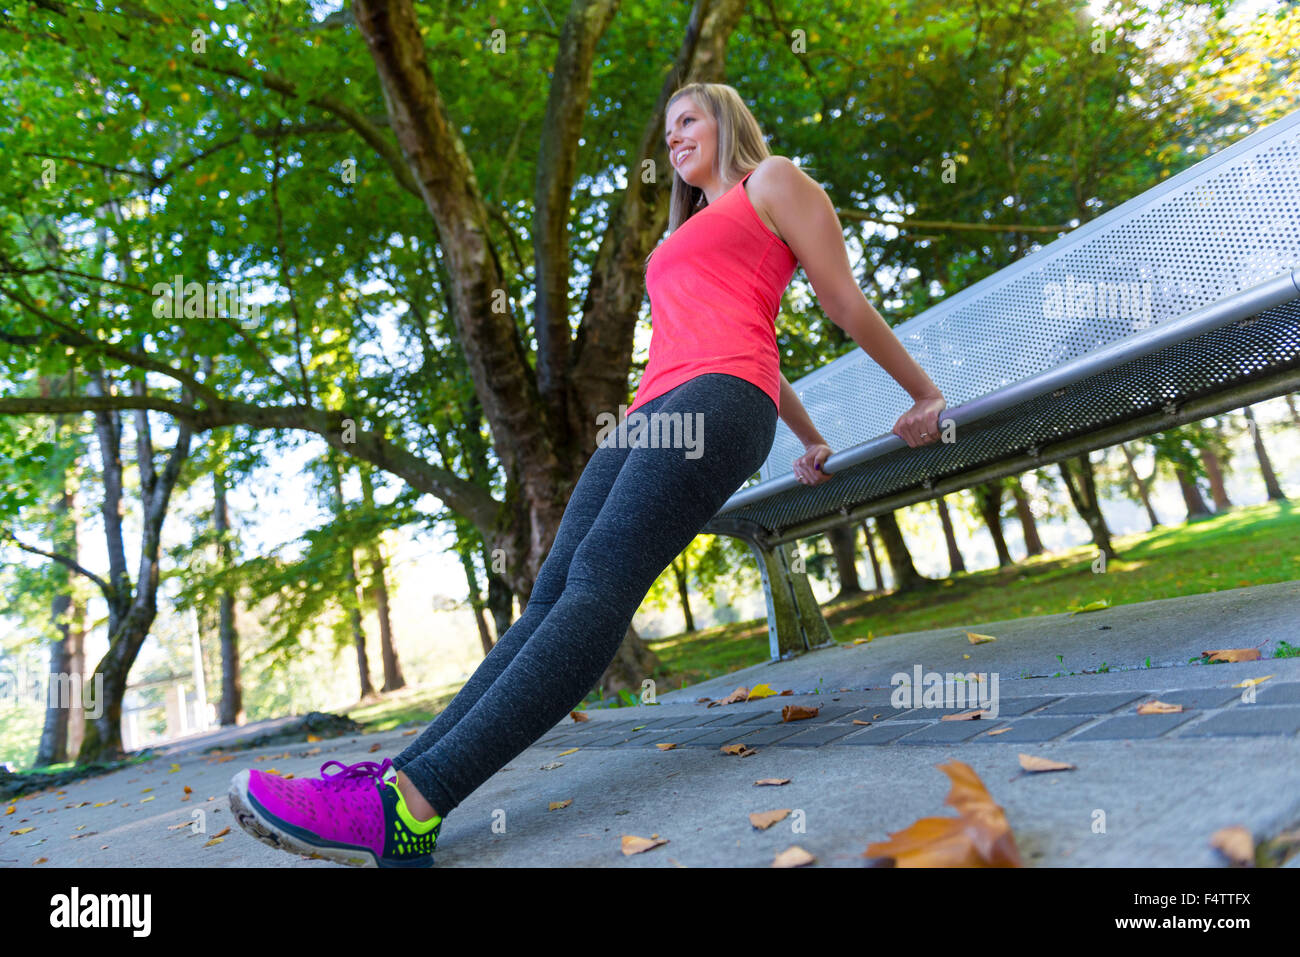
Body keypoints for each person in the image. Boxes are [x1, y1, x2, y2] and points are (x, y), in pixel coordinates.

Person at [228, 82, 947, 867]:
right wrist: (806, 436)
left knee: (602, 578)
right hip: (654, 407)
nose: (673, 138)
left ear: (728, 120)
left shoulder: (772, 181)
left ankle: (411, 804)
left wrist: (921, 392)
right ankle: (393, 783)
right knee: (553, 590)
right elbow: (735, 335)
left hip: (718, 400)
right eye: (666, 128)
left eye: (687, 120)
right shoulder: (685, 233)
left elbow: (839, 302)